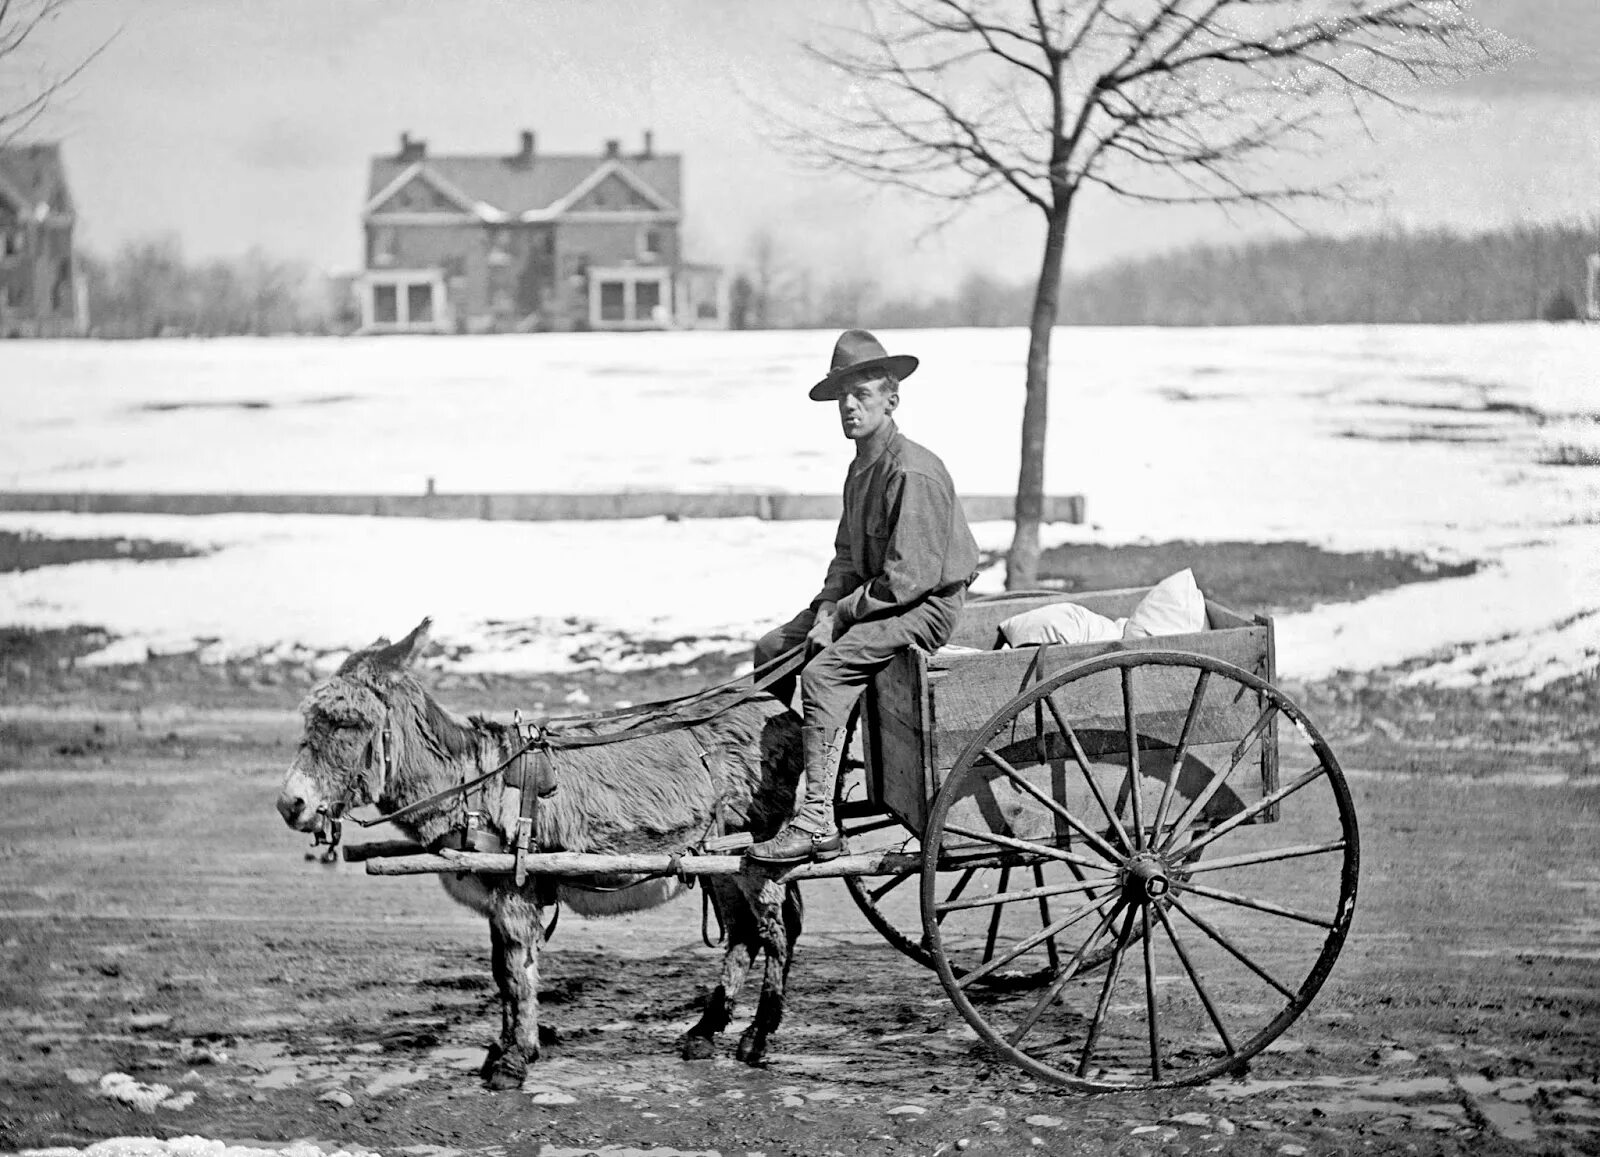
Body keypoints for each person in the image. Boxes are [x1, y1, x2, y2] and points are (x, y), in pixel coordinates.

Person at [748, 329, 980, 865]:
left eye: (863, 395)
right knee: (771, 650)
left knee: (824, 673)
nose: (849, 407)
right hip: (875, 600)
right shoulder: (860, 468)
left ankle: (816, 822)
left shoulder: (912, 471)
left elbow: (908, 580)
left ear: (891, 401)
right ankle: (778, 791)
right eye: (842, 398)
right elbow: (848, 558)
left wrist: (843, 617)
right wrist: (827, 607)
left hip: (922, 611)